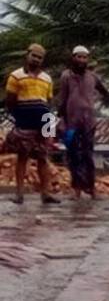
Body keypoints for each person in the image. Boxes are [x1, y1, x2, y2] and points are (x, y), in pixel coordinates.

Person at [3, 43, 59, 205]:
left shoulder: (47, 78)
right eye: (34, 56)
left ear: (43, 60)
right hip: (24, 124)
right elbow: (10, 102)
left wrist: (49, 129)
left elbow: (49, 104)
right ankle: (19, 194)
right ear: (27, 55)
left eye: (39, 57)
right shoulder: (16, 76)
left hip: (43, 123)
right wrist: (19, 118)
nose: (36, 59)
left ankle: (46, 194)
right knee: (22, 157)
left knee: (43, 158)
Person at [56, 45, 108, 200]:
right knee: (73, 155)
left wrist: (93, 103)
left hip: (88, 123)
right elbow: (62, 99)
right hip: (71, 123)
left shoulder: (93, 77)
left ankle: (91, 188)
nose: (82, 60)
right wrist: (61, 119)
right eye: (79, 57)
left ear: (87, 60)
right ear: (73, 58)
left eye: (84, 57)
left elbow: (104, 91)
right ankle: (76, 189)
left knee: (88, 155)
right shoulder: (66, 76)